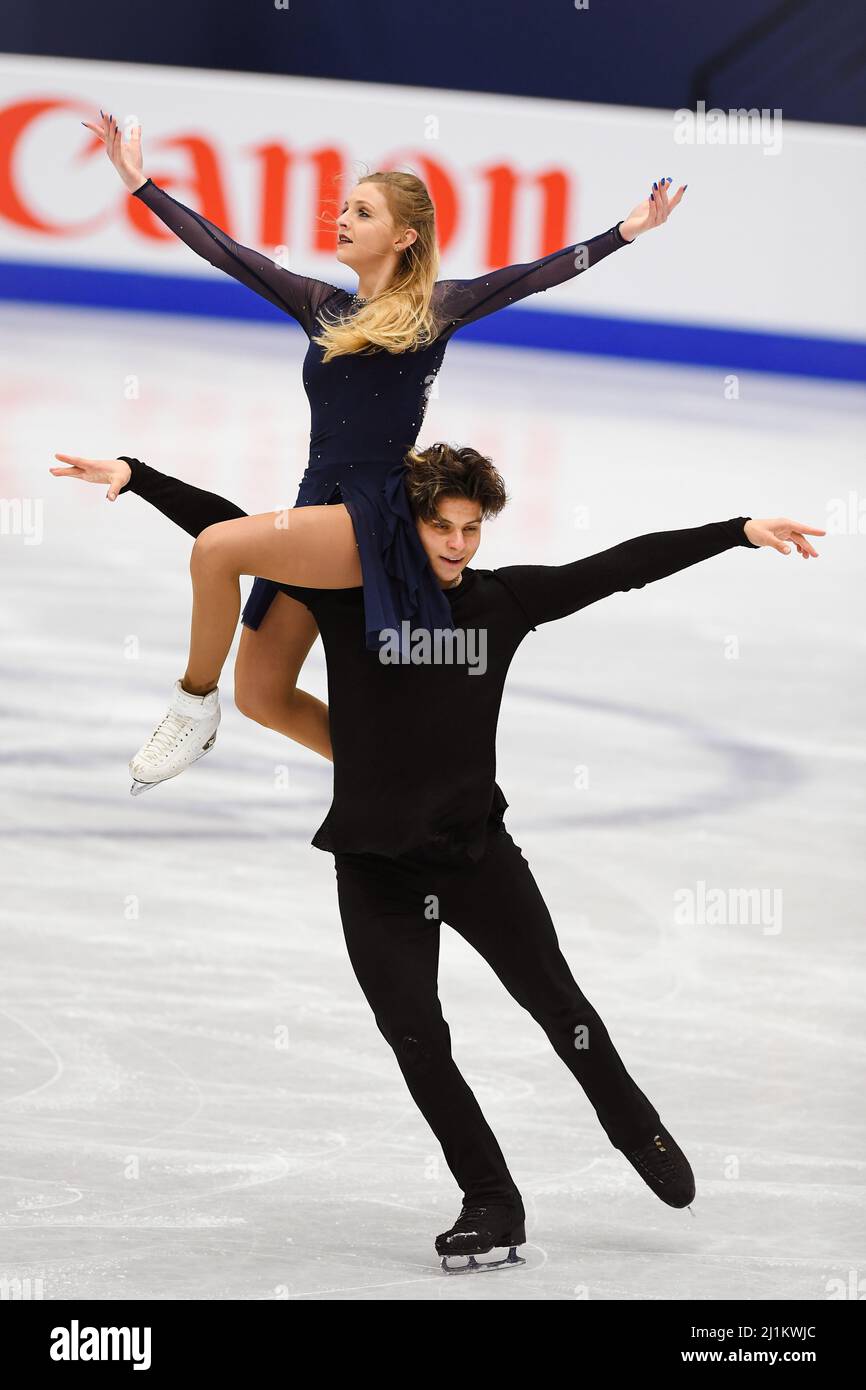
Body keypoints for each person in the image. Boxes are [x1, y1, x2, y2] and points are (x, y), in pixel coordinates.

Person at [49, 444, 823, 1270]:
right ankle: (491, 1199)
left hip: (474, 856)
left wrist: (737, 531)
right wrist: (140, 479)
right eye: (440, 527)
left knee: (559, 1006)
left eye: (470, 528)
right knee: (416, 1037)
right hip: (374, 867)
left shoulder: (504, 601)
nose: (457, 544)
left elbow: (618, 568)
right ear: (407, 524)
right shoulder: (348, 596)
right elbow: (235, 531)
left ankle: (636, 1126)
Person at [77, 109, 685, 791]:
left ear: (404, 236)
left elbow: (534, 275)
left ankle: (192, 706)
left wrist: (624, 232)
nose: (342, 221)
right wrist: (141, 185)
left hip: (375, 515)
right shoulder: (322, 307)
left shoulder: (435, 310)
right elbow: (227, 253)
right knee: (263, 695)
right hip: (317, 504)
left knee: (217, 548)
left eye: (362, 213)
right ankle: (404, 782)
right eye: (344, 210)